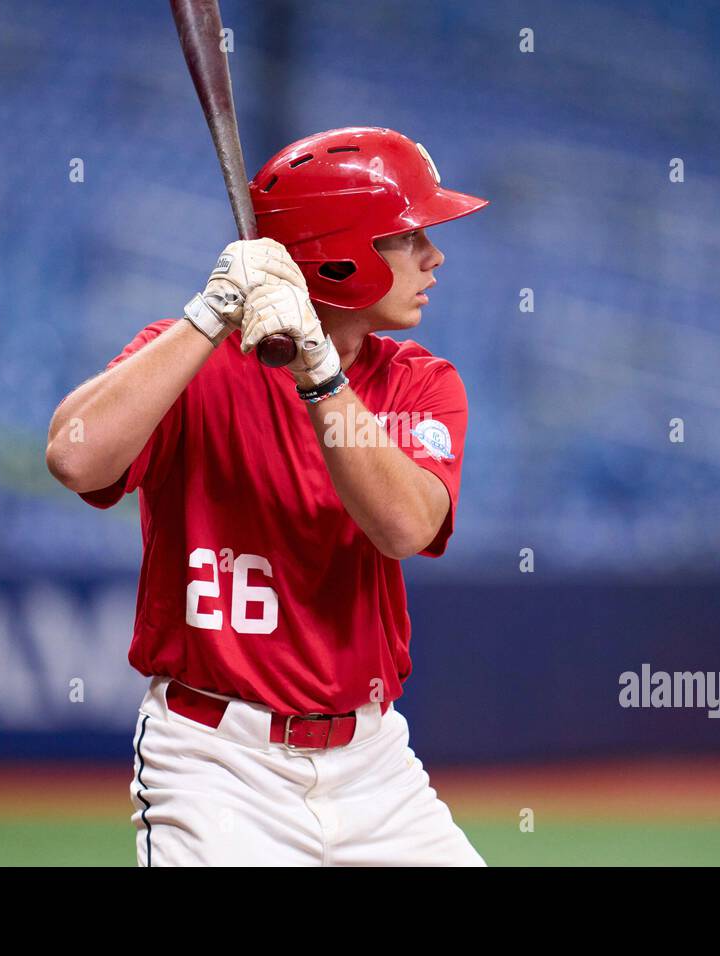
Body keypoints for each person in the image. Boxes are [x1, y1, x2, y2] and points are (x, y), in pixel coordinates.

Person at [46, 127, 488, 866]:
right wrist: (210, 311)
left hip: (373, 764)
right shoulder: (191, 365)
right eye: (409, 236)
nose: (433, 256)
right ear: (343, 250)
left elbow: (405, 526)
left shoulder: (420, 383)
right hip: (217, 766)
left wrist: (318, 369)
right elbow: (73, 458)